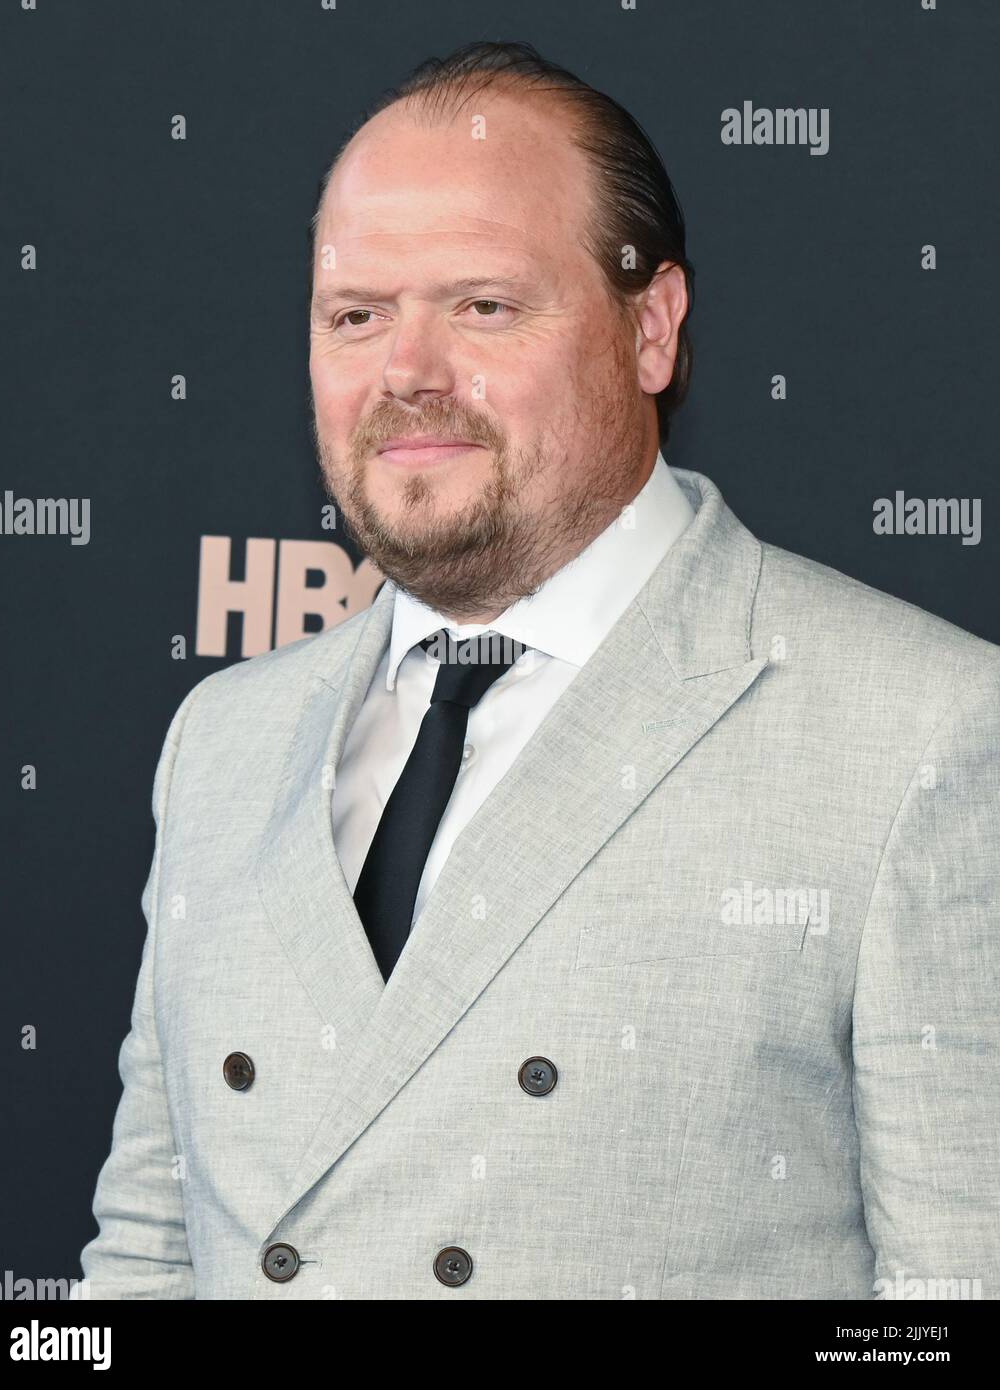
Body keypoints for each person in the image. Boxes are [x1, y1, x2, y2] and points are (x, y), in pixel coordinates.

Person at [77, 41, 1000, 1300]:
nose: (405, 372)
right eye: (356, 315)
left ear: (650, 330)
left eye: (481, 305)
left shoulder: (919, 732)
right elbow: (146, 1254)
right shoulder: (223, 738)